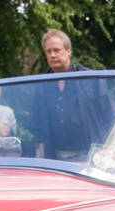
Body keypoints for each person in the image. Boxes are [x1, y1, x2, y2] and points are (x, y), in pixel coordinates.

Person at [35, 29, 104, 160]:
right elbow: (38, 125)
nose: (52, 55)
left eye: (57, 50)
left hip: (89, 156)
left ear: (68, 51)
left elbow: (109, 113)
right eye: (48, 51)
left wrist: (108, 150)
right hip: (54, 158)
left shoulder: (89, 79)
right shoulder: (41, 84)